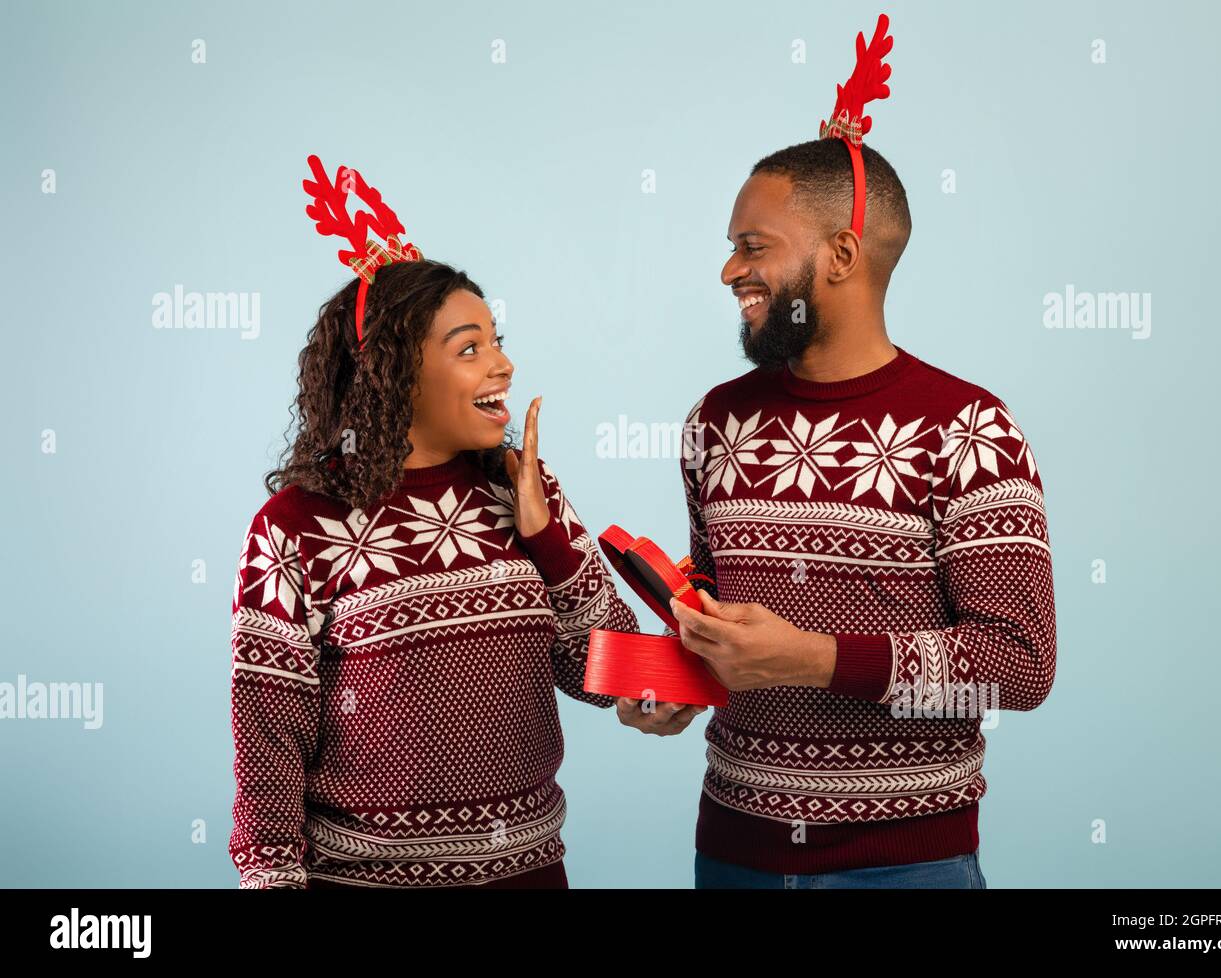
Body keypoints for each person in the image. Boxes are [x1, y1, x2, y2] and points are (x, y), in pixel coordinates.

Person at [617, 134, 1057, 889]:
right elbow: (719, 607)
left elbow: (1018, 664)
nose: (730, 273)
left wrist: (814, 659)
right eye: (731, 249)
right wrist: (682, 675)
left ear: (842, 256)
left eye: (752, 248)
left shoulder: (970, 429)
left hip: (907, 867)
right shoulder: (715, 422)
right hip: (733, 853)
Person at [228, 254, 638, 888]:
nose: (503, 365)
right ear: (394, 373)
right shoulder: (295, 524)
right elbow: (268, 740)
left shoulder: (524, 488)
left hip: (529, 873)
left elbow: (612, 674)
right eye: (469, 349)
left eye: (497, 343)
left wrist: (546, 540)